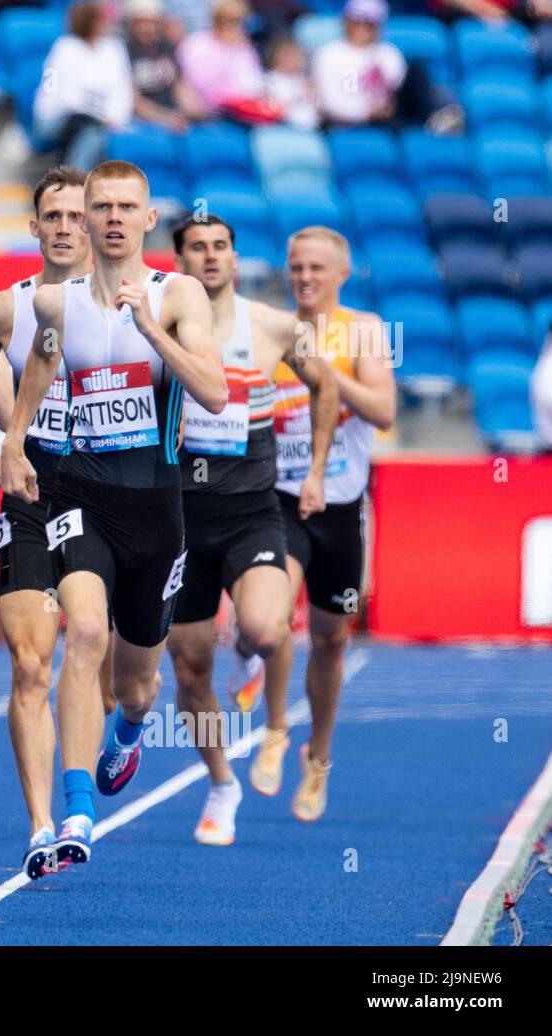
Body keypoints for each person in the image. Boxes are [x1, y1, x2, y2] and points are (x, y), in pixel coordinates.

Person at [1, 160, 226, 877]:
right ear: (87, 215)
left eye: (128, 206)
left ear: (149, 218)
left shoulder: (179, 292)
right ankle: (75, 810)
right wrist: (11, 440)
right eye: (101, 206)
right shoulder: (55, 302)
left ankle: (126, 732)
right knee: (84, 631)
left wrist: (151, 331)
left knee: (138, 685)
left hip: (157, 510)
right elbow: (40, 368)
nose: (113, 218)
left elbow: (215, 392)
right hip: (83, 494)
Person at [167, 215, 338, 846]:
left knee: (266, 629)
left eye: (220, 248)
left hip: (250, 513)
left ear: (235, 258)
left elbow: (324, 385)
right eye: (198, 248)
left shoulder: (270, 325)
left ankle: (263, 691)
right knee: (188, 673)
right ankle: (221, 782)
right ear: (179, 257)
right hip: (180, 521)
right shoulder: (158, 321)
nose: (210, 258)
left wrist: (315, 469)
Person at [0, 165, 96, 878]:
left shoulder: (129, 305)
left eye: (80, 215)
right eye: (56, 216)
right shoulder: (5, 308)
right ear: (36, 226)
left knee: (118, 666)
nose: (68, 228)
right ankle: (44, 824)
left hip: (109, 494)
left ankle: (119, 726)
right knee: (29, 661)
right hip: (31, 492)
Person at [255, 226, 396, 820]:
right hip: (282, 498)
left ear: (341, 274)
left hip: (341, 507)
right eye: (295, 267)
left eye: (316, 268)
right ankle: (276, 728)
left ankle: (319, 760)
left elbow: (385, 411)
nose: (304, 277)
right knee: (269, 619)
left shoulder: (361, 329)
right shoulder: (274, 331)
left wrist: (326, 380)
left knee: (332, 639)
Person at [33, 2, 134, 173]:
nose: (108, 22)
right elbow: (66, 96)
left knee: (99, 133)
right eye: (102, 18)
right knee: (93, 133)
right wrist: (100, 117)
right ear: (90, 21)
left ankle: (74, 180)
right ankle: (74, 180)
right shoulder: (64, 47)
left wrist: (115, 116)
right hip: (57, 115)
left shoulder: (114, 49)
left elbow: (122, 90)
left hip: (101, 119)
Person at [312, 0, 406, 128]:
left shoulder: (389, 54)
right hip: (341, 124)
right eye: (357, 22)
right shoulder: (329, 54)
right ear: (346, 22)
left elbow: (394, 92)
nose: (362, 28)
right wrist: (366, 113)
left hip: (385, 121)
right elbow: (330, 102)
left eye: (369, 24)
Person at [176, 0, 266, 119]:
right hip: (201, 116)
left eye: (239, 22)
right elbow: (193, 84)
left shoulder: (244, 49)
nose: (237, 27)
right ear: (217, 21)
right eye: (230, 21)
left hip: (238, 116)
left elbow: (254, 84)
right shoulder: (196, 44)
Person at [125, 0, 204, 133]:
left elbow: (180, 87)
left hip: (173, 115)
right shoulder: (125, 52)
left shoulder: (167, 47)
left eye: (153, 22)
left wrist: (195, 111)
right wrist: (165, 118)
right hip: (144, 121)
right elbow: (135, 101)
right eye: (142, 22)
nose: (148, 28)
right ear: (132, 24)